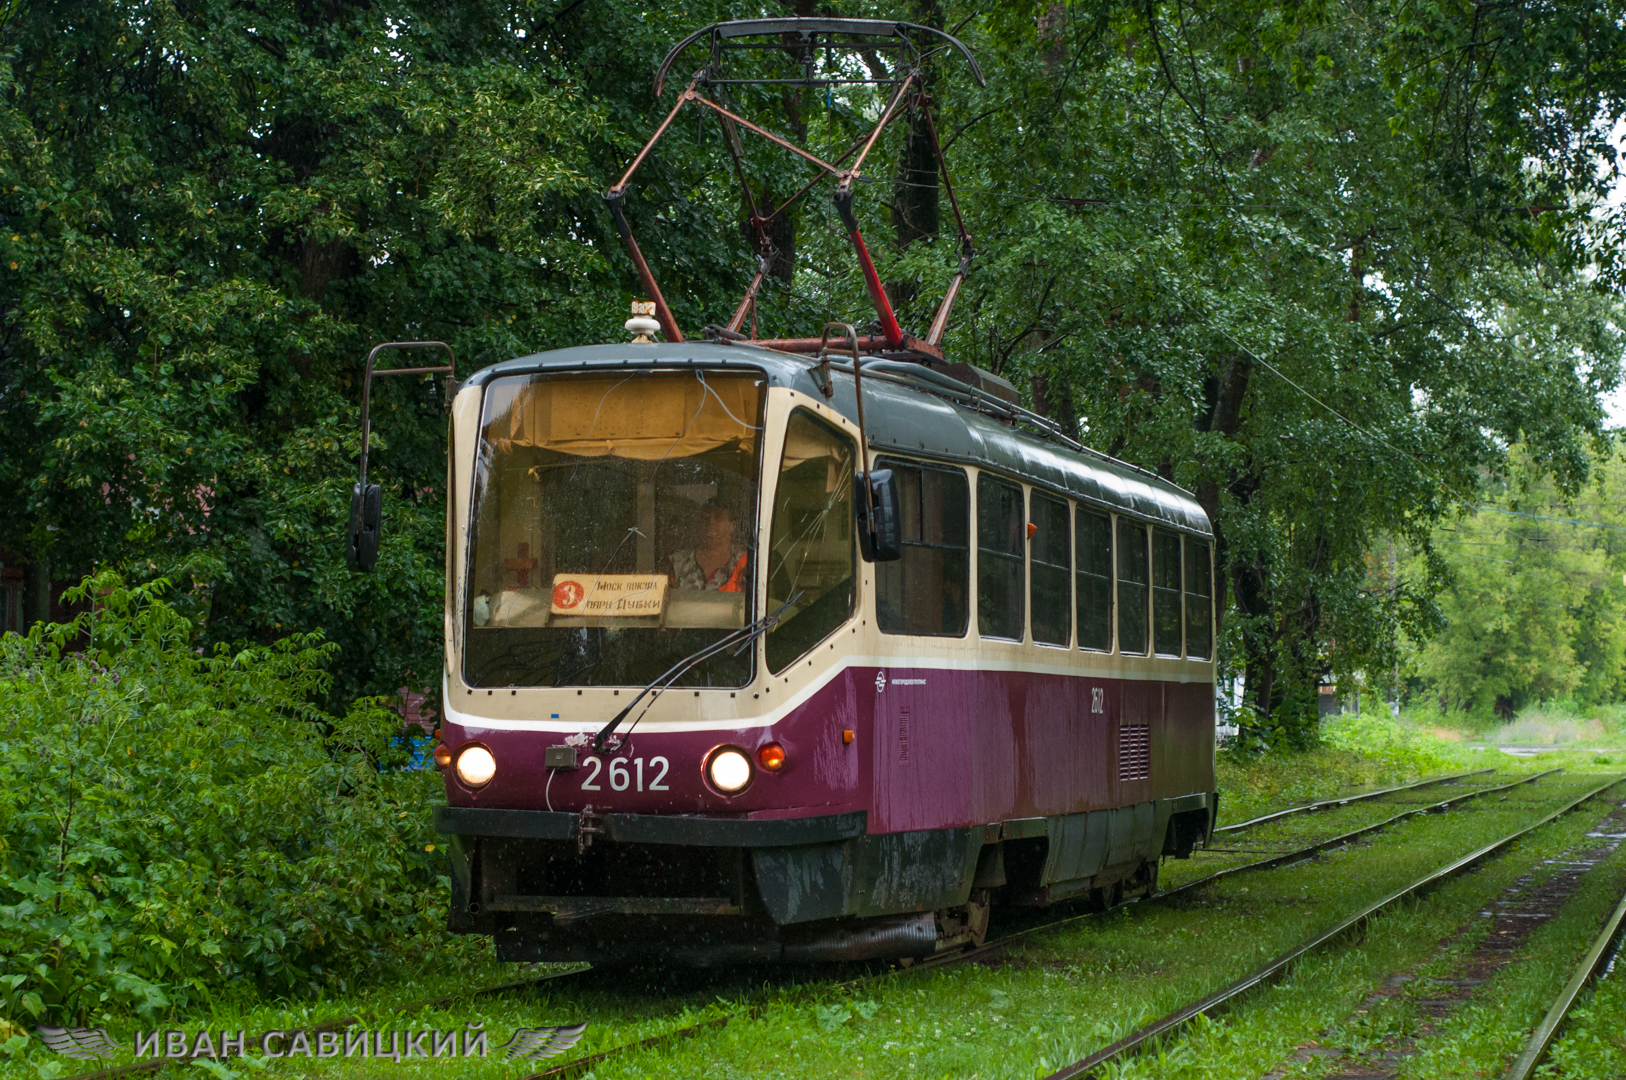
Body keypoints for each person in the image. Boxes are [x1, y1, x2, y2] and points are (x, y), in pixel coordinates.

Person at [670, 499, 748, 592]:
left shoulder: (744, 562)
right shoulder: (678, 562)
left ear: (732, 525)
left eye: (718, 517)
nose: (711, 521)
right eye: (706, 517)